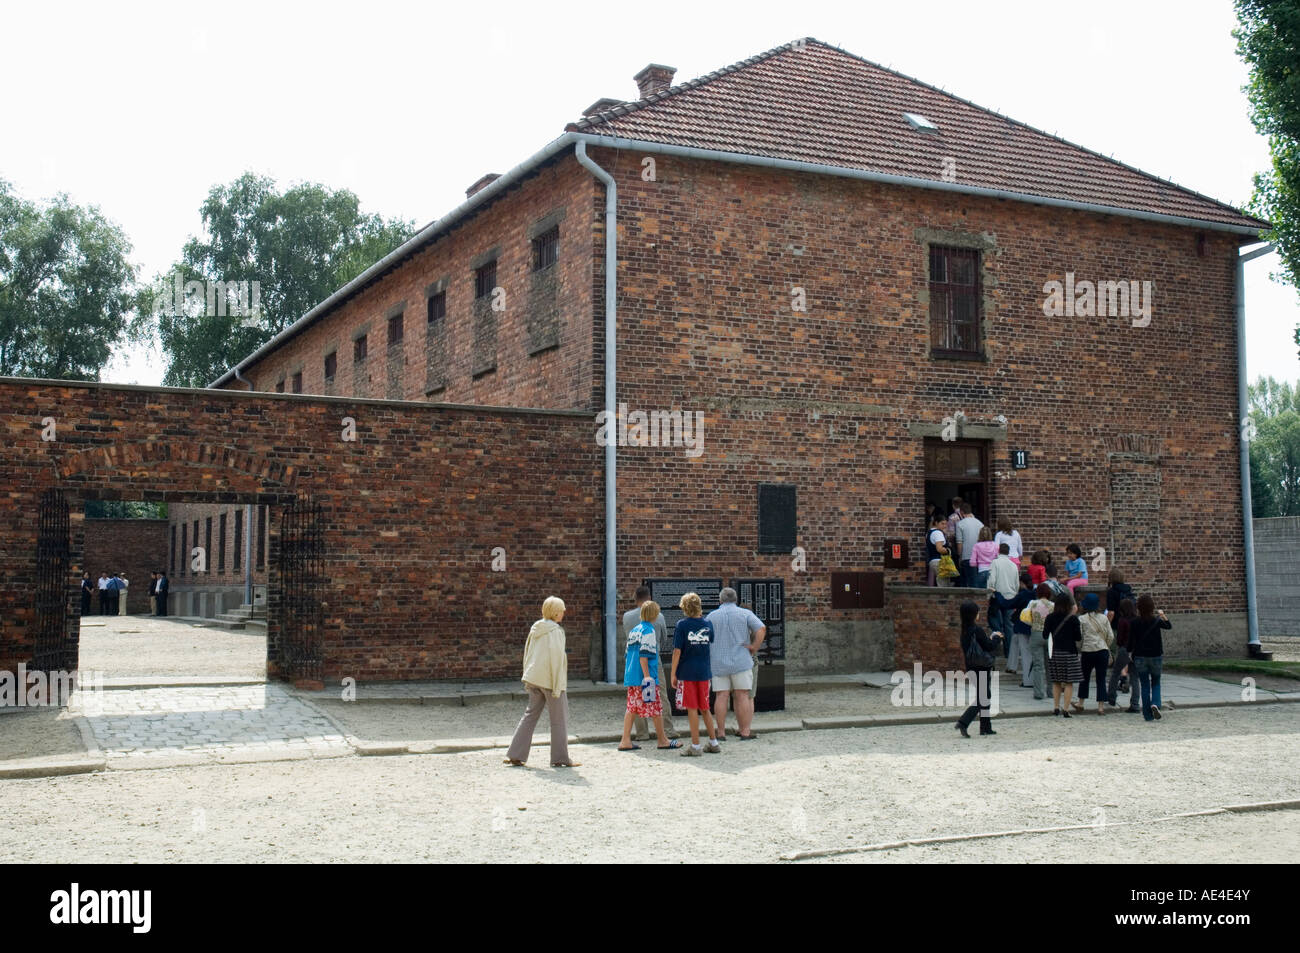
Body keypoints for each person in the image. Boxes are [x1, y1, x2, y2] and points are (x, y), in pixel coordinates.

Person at [505, 596, 580, 767]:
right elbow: (556, 658)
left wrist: (527, 673)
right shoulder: (555, 631)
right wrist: (557, 685)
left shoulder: (536, 628)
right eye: (561, 610)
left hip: (534, 677)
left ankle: (515, 754)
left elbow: (528, 652)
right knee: (558, 719)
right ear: (555, 613)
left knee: (529, 716)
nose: (563, 613)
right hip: (550, 679)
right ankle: (560, 758)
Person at [618, 601, 679, 751]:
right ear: (654, 614)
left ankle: (625, 740)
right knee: (656, 706)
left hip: (632, 676)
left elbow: (628, 654)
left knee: (631, 708)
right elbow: (644, 656)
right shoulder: (649, 631)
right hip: (645, 677)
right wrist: (647, 677)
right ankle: (663, 740)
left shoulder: (634, 631)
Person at [706, 587, 766, 741]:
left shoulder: (711, 616)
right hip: (741, 661)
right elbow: (761, 628)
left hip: (718, 662)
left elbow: (705, 636)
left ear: (720, 600)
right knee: (742, 695)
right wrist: (754, 646)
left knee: (721, 696)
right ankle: (745, 731)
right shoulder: (745, 614)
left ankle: (720, 733)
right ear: (736, 599)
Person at [670, 592, 721, 756]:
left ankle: (696, 746)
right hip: (705, 672)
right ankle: (714, 742)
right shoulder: (708, 624)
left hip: (687, 672)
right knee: (705, 708)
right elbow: (710, 640)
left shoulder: (682, 625)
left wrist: (673, 673)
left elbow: (677, 651)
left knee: (692, 709)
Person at [954, 600, 1001, 738]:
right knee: (984, 697)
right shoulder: (977, 630)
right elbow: (989, 646)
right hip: (982, 667)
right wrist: (997, 638)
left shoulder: (964, 631)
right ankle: (964, 722)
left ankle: (985, 727)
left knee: (984, 696)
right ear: (974, 614)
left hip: (971, 667)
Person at [1129, 594, 1172, 722]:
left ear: (1139, 608)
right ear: (1152, 607)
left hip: (1140, 657)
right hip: (1155, 656)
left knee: (1145, 685)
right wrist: (1163, 615)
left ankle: (1147, 715)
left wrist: (1130, 653)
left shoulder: (1134, 622)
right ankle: (1155, 703)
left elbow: (1131, 642)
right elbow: (1169, 626)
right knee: (1156, 682)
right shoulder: (1156, 620)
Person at [1044, 593, 1083, 717]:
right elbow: (1078, 637)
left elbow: (1045, 635)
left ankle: (1056, 707)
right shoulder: (1073, 619)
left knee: (1056, 681)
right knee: (1069, 682)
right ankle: (1065, 709)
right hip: (1069, 653)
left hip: (1055, 652)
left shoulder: (1050, 617)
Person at [1075, 593, 1111, 715]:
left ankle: (1080, 703)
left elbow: (1079, 638)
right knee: (1101, 678)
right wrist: (1105, 645)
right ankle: (1100, 707)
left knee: (1084, 678)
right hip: (1102, 651)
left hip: (1088, 651)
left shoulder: (1081, 619)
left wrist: (1081, 647)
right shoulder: (1104, 618)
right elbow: (1110, 636)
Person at [986, 543, 1019, 665]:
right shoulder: (1014, 565)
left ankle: (999, 635)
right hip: (1010, 597)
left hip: (997, 596)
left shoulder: (995, 563)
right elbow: (1016, 584)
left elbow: (992, 580)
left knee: (993, 619)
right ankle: (1009, 653)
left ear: (999, 551)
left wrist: (989, 593)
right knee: (1009, 625)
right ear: (1008, 552)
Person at [1105, 568, 1137, 695]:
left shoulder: (1111, 592)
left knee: (1119, 650)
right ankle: (1125, 675)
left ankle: (1123, 677)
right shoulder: (1128, 589)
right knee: (1127, 651)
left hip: (1118, 624)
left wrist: (1106, 624)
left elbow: (1111, 612)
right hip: (1132, 623)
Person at [1022, 582, 1055, 700]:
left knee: (1038, 665)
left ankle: (1039, 693)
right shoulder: (1053, 605)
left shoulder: (1032, 603)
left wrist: (1033, 624)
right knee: (1050, 665)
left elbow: (1025, 618)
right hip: (1050, 635)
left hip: (1036, 633)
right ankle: (1051, 691)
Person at [1108, 597, 1141, 713]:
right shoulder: (1137, 619)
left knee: (1115, 673)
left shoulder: (1123, 620)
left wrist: (1119, 645)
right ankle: (1135, 704)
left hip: (1125, 649)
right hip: (1136, 650)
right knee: (1135, 677)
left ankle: (1111, 697)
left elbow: (1120, 638)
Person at [1008, 573, 1036, 687]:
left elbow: (1008, 604)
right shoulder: (1035, 594)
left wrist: (998, 594)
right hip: (1033, 626)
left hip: (1022, 626)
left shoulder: (1023, 594)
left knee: (1026, 654)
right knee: (1015, 641)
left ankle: (1028, 680)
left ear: (1022, 583)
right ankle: (1011, 666)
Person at [955, 504, 985, 588]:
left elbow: (959, 542)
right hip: (979, 557)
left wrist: (959, 556)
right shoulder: (980, 523)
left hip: (966, 556)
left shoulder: (960, 524)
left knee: (965, 583)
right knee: (977, 582)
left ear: (961, 512)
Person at [927, 512, 954, 587]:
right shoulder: (938, 533)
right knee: (944, 585)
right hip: (939, 561)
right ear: (936, 523)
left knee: (942, 583)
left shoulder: (930, 532)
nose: (945, 526)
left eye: (946, 524)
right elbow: (939, 549)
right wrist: (949, 550)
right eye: (942, 524)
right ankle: (943, 599)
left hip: (933, 561)